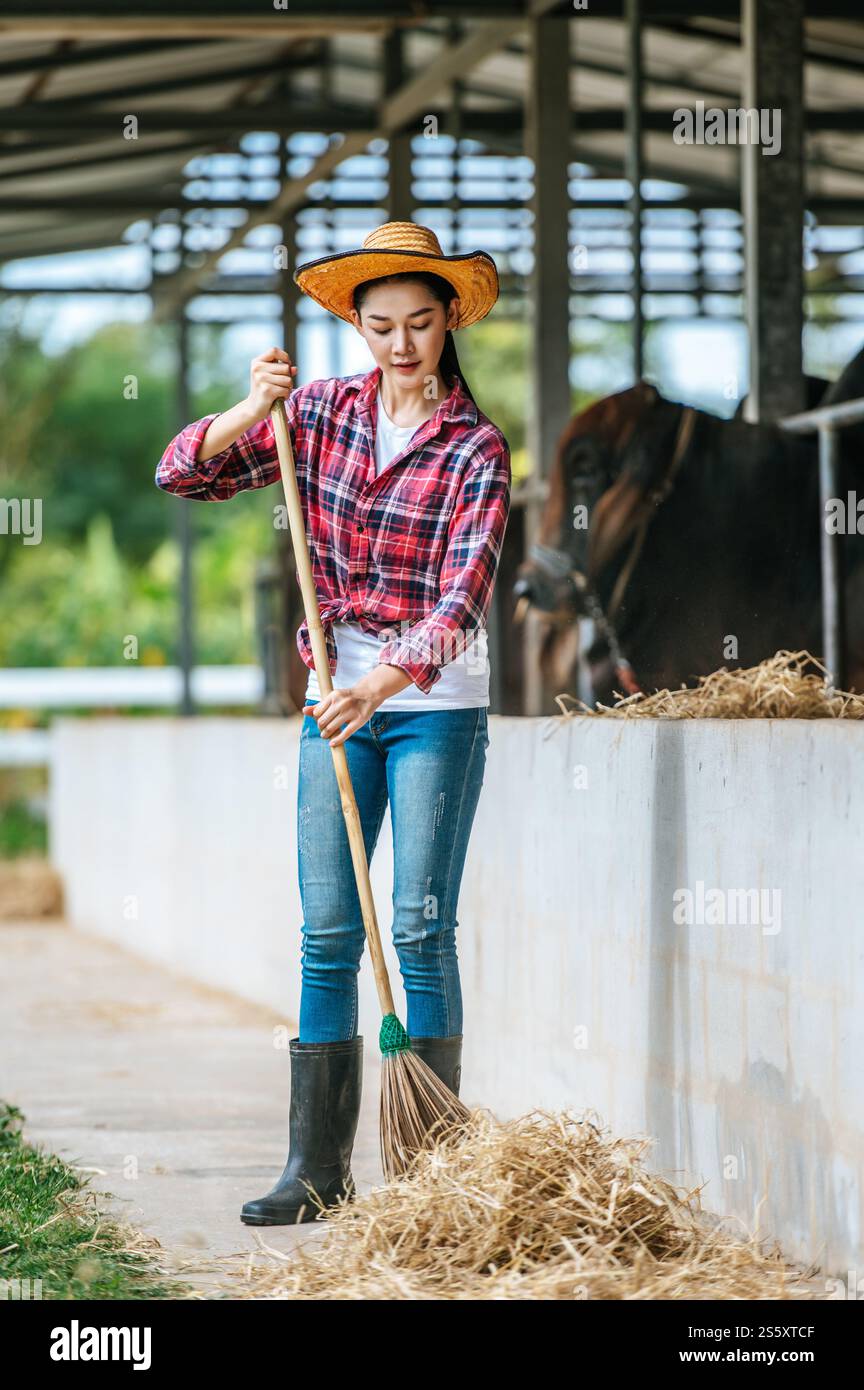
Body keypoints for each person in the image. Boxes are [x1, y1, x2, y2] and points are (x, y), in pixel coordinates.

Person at [155, 221, 512, 1225]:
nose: (401, 344)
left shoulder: (477, 446)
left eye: (421, 324)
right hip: (334, 704)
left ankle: (431, 1180)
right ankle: (315, 1171)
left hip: (432, 705)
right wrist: (248, 407)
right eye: (382, 324)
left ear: (449, 325)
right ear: (357, 324)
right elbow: (183, 475)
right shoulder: (312, 415)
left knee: (421, 928)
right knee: (327, 934)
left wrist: (384, 683)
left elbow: (463, 600)